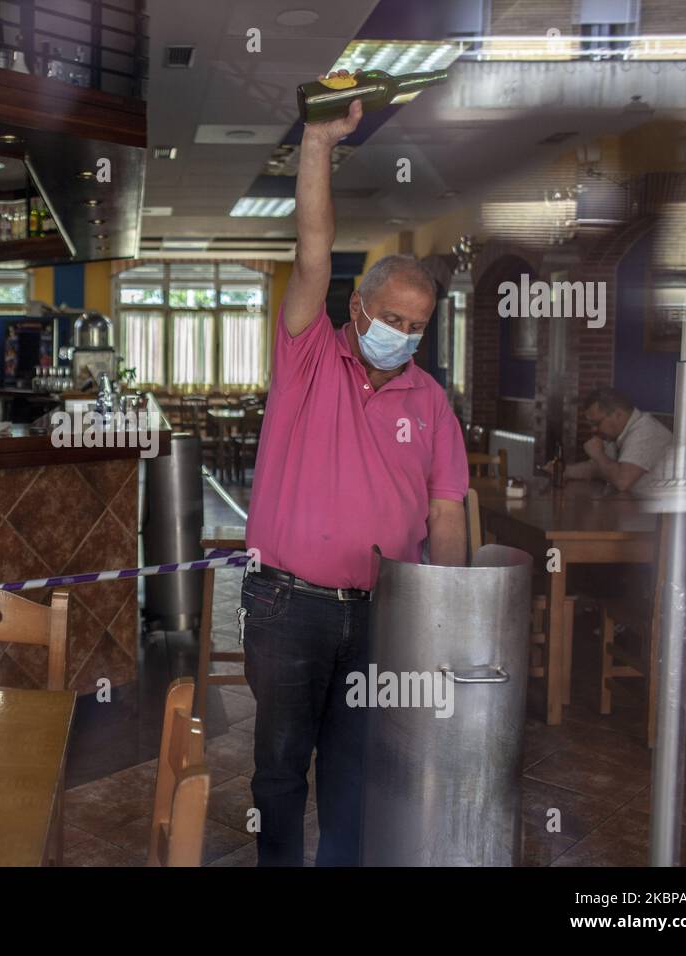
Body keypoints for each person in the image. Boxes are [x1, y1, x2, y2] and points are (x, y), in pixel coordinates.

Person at [241, 73, 469, 867]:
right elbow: (311, 250)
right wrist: (318, 143)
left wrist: (450, 615)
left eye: (418, 326)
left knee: (355, 767)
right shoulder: (310, 357)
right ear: (357, 311)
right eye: (393, 320)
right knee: (277, 771)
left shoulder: (431, 400)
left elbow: (446, 509)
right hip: (285, 604)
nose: (404, 336)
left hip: (381, 612)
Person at [556, 388, 673, 495]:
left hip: (658, 513)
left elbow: (622, 481)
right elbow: (596, 468)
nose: (593, 430)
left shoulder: (646, 431)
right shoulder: (618, 434)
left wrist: (598, 454)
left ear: (618, 415)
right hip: (637, 508)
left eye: (596, 423)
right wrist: (563, 471)